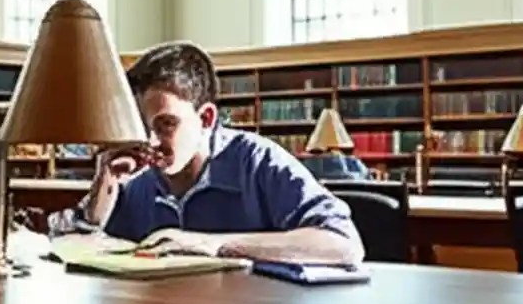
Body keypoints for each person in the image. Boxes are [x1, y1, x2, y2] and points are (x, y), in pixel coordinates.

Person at [54, 42, 364, 265]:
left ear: (206, 119)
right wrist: (103, 185)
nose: (149, 140)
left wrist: (214, 243)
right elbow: (74, 246)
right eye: (139, 125)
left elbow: (343, 242)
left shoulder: (258, 162)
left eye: (166, 125)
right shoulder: (134, 177)